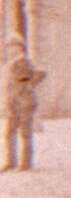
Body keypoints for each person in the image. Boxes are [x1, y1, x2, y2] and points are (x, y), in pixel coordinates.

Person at [3, 33, 45, 172]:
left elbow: (39, 73)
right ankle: (11, 162)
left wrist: (29, 85)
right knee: (9, 132)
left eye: (12, 46)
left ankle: (25, 163)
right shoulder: (11, 63)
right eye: (8, 47)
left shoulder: (23, 61)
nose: (9, 49)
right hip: (13, 102)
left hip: (24, 102)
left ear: (20, 47)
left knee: (24, 132)